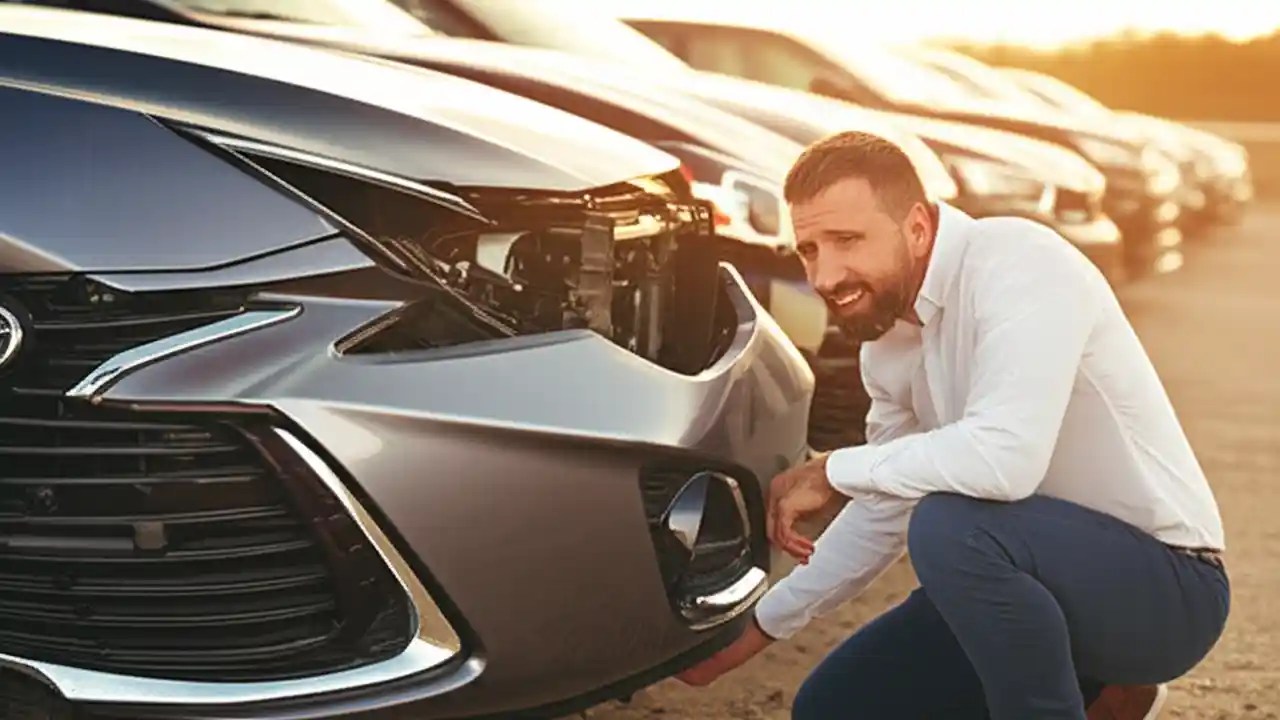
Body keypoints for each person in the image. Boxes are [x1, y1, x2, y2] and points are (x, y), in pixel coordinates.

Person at [675, 131, 1231, 720]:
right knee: (834, 707)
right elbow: (885, 506)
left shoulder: (1020, 264)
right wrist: (760, 627)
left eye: (846, 240)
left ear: (917, 227)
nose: (825, 276)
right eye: (809, 249)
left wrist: (835, 471)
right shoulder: (887, 345)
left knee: (950, 524)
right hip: (1033, 585)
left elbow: (1006, 459)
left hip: (1167, 589)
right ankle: (1100, 691)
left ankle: (1096, 690)